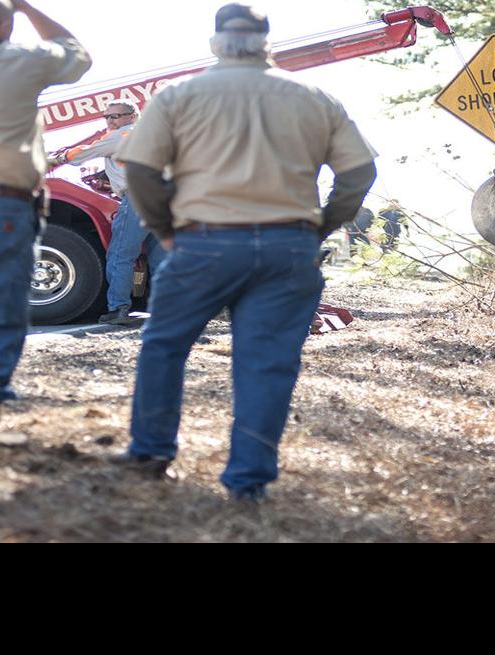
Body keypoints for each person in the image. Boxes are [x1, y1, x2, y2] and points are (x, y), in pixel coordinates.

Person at [114, 3, 377, 500]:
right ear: (267, 41)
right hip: (287, 245)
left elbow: (141, 170)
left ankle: (150, 453)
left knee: (165, 345)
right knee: (268, 362)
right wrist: (321, 226)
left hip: (203, 242)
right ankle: (248, 483)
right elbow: (360, 172)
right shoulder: (316, 97)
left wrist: (165, 230)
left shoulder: (178, 96)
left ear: (216, 42)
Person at [0, 0, 91, 445]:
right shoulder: (21, 61)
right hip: (0, 203)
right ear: (4, 23)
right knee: (1, 305)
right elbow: (76, 54)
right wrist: (28, 8)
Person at [50, 99, 165, 324]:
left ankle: (118, 309)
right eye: (107, 117)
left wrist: (59, 157)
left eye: (115, 116)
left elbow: (84, 153)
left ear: (132, 116)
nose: (110, 121)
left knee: (121, 254)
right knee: (161, 259)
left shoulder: (122, 135)